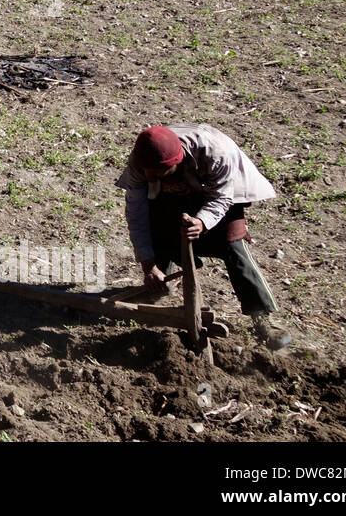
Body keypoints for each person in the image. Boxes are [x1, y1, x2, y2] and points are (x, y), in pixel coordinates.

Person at [116, 123, 292, 350]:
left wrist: (202, 222)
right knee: (156, 223)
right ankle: (158, 287)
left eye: (157, 173)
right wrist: (147, 265)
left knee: (233, 244)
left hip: (220, 192)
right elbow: (136, 213)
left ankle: (263, 318)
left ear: (174, 162)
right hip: (175, 193)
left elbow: (221, 198)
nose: (149, 176)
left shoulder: (216, 152)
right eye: (147, 172)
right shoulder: (140, 163)